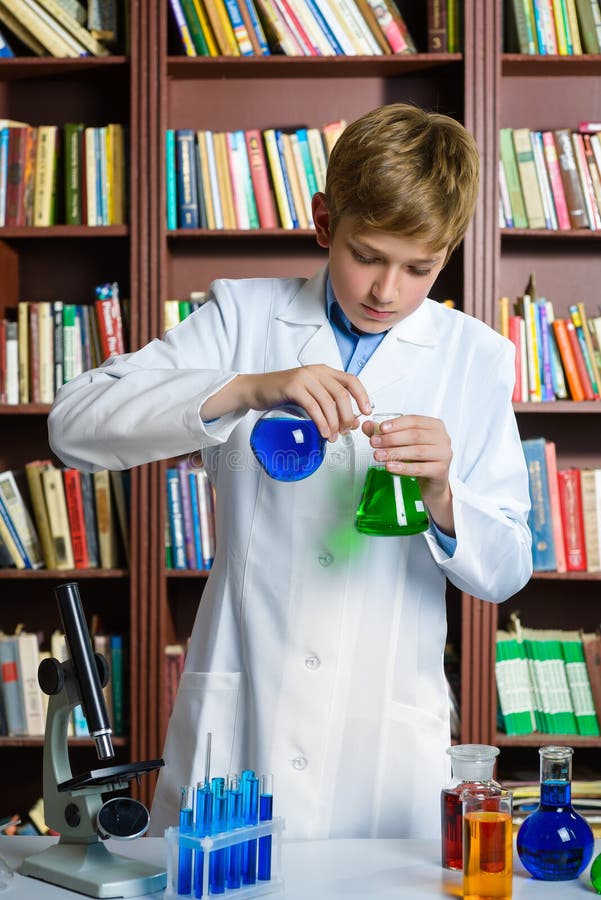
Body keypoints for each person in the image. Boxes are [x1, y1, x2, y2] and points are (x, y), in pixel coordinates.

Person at [48, 103, 532, 840]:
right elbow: (73, 425)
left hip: (384, 738)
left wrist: (443, 494)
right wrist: (246, 388)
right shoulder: (244, 317)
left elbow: (506, 569)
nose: (387, 291)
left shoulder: (476, 357)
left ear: (449, 254)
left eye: (419, 268)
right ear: (323, 222)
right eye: (366, 255)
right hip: (246, 716)